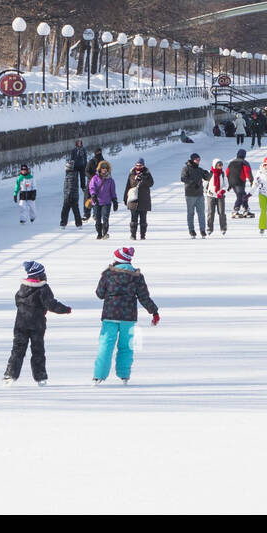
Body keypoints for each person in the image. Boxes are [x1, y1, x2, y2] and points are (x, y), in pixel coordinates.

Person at [93, 246, 159, 385]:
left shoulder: (107, 274)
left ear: (116, 259)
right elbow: (144, 297)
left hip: (110, 315)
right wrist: (154, 312)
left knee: (106, 345)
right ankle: (124, 375)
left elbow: (99, 294)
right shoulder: (137, 277)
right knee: (126, 346)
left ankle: (99, 376)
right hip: (128, 317)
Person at [2, 260, 71, 385]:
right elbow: (51, 304)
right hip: (37, 325)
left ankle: (9, 375)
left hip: (21, 323)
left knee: (17, 349)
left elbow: (17, 301)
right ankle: (40, 377)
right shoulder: (43, 289)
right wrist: (66, 309)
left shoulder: (22, 288)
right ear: (39, 275)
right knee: (38, 350)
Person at [180, 152, 210, 239]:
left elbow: (207, 178)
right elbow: (183, 178)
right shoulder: (186, 169)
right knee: (190, 213)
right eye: (197, 160)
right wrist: (192, 183)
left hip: (200, 194)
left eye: (199, 160)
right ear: (192, 160)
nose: (198, 161)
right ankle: (191, 230)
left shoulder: (200, 169)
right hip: (190, 194)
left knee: (201, 213)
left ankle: (202, 230)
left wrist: (209, 174)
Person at [87, 161, 118, 240]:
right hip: (96, 201)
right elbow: (91, 187)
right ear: (99, 169)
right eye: (103, 168)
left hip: (106, 202)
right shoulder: (95, 178)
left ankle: (105, 233)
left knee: (105, 218)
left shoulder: (110, 180)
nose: (104, 170)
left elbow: (113, 191)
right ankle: (99, 233)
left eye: (106, 168)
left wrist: (114, 201)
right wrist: (93, 195)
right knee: (97, 219)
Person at [124, 158, 154, 239]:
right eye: (137, 165)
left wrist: (143, 179)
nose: (138, 167)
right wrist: (125, 198)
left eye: (140, 165)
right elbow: (128, 186)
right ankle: (133, 235)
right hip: (133, 200)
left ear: (143, 165)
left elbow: (151, 183)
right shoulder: (132, 174)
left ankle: (143, 235)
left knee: (143, 220)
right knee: (133, 219)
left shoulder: (147, 174)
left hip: (144, 200)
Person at [226, 149, 254, 218]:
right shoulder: (244, 162)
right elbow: (247, 172)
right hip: (240, 182)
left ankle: (246, 210)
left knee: (244, 195)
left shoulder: (231, 162)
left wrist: (230, 183)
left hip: (232, 182)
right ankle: (235, 210)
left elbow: (227, 173)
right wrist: (252, 181)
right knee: (240, 195)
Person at [204, 157, 228, 236]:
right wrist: (206, 191)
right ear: (215, 165)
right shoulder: (210, 173)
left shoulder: (223, 174)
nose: (220, 167)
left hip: (220, 196)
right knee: (211, 212)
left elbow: (226, 184)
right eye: (219, 165)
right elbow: (205, 184)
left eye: (221, 165)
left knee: (221, 212)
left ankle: (223, 227)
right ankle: (209, 228)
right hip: (211, 196)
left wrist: (222, 191)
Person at [59, 158, 84, 228]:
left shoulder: (71, 175)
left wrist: (68, 195)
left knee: (66, 210)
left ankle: (63, 223)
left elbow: (70, 186)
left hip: (70, 196)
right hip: (72, 195)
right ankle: (78, 224)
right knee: (75, 210)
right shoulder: (71, 174)